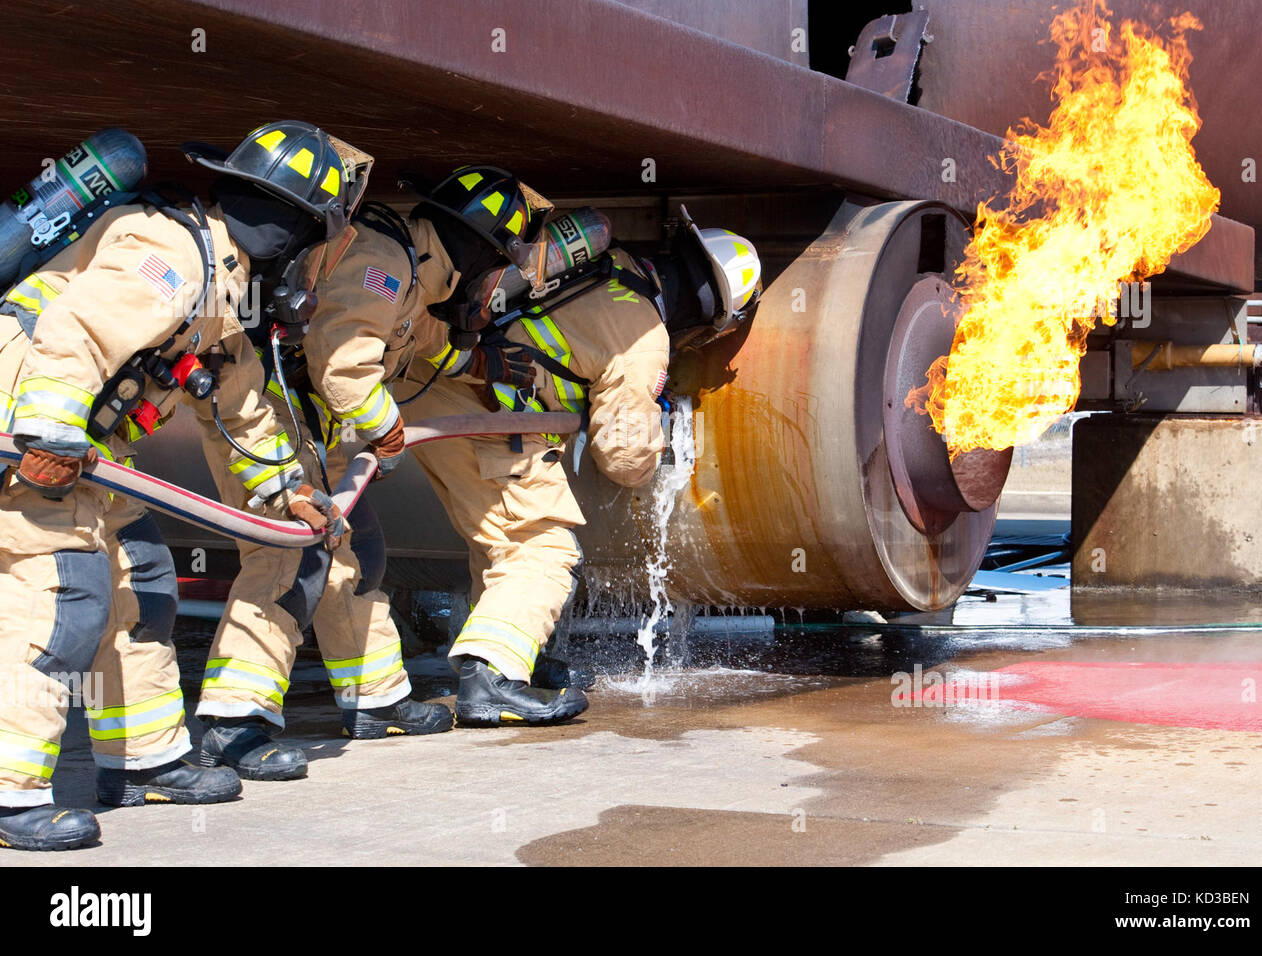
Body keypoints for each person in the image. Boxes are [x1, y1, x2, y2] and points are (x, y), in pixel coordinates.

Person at [0, 119, 352, 850]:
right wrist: (48, 434)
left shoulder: (217, 279)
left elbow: (240, 400)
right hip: (29, 432)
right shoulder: (171, 254)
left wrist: (286, 487)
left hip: (82, 450)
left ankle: (143, 759)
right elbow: (77, 331)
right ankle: (9, 794)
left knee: (143, 575)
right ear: (290, 231)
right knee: (63, 594)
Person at [397, 167, 761, 727]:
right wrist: (654, 439)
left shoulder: (605, 263)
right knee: (542, 547)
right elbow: (622, 457)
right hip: (490, 415)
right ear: (711, 316)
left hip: (432, 382)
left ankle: (520, 651)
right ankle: (491, 677)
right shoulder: (645, 335)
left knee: (498, 540)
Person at [194, 195, 456, 782]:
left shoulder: (409, 275)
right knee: (288, 557)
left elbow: (419, 341)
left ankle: (376, 698)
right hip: (257, 417)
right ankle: (235, 717)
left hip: (302, 419)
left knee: (355, 550)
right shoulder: (386, 261)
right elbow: (343, 366)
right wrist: (383, 429)